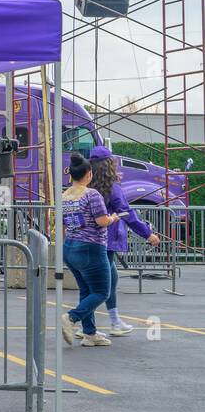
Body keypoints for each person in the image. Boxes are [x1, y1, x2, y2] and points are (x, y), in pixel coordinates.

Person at [88, 145, 159, 336]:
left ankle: (95, 323)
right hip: (107, 239)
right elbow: (128, 214)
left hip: (87, 239)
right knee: (107, 282)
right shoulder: (113, 189)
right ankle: (90, 321)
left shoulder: (86, 187)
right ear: (109, 165)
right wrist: (147, 233)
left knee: (96, 282)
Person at [61, 152, 120, 347]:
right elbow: (101, 221)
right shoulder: (92, 194)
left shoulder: (65, 195)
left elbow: (62, 224)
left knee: (86, 290)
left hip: (70, 246)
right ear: (88, 174)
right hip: (91, 247)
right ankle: (71, 318)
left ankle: (89, 333)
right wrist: (114, 218)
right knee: (102, 291)